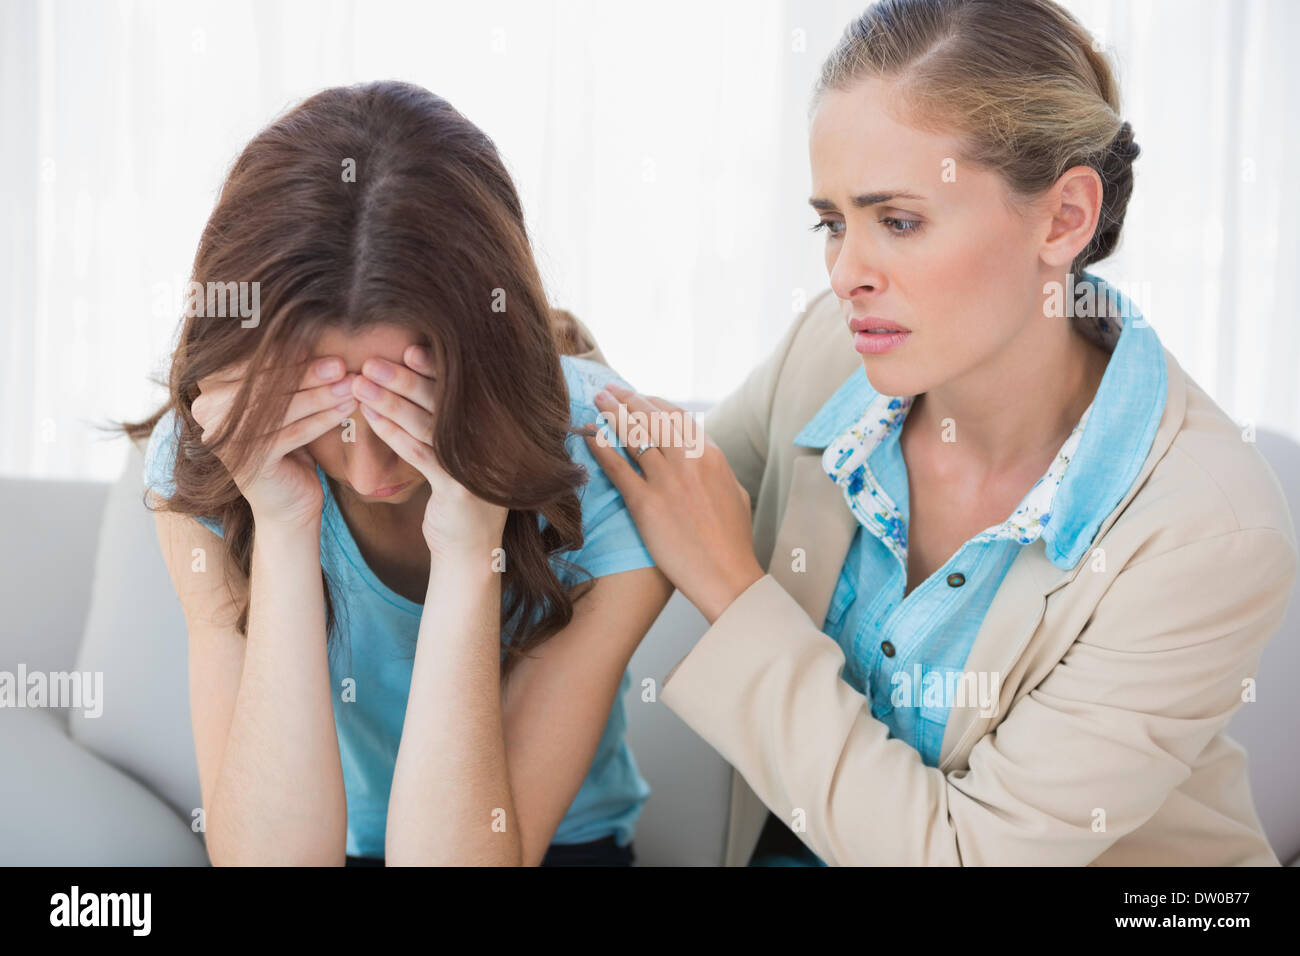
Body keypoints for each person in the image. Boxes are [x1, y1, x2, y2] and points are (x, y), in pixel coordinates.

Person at [583, 0, 1297, 865]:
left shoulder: (1207, 528)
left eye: (900, 221)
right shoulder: (829, 355)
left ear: (1065, 217)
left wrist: (735, 592)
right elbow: (642, 493)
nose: (846, 274)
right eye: (831, 223)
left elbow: (970, 857)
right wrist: (534, 379)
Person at [126, 81, 672, 866]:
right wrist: (282, 528)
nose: (373, 464)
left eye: (412, 405)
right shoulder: (208, 457)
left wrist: (469, 539)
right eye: (323, 415)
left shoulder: (610, 460)